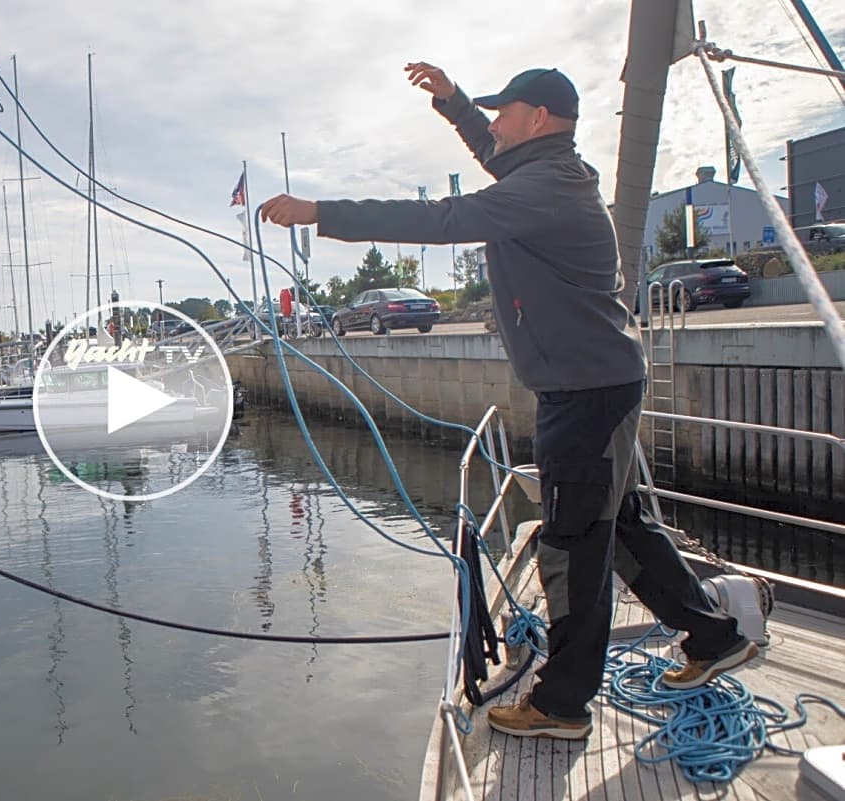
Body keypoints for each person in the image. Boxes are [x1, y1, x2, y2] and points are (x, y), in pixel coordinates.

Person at [261, 63, 758, 740]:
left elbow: (442, 219)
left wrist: (320, 212)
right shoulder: (548, 175)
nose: (493, 126)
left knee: (573, 543)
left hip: (584, 396)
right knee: (619, 526)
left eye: (504, 112)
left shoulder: (544, 188)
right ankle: (712, 636)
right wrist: (453, 103)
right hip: (596, 384)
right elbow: (494, 155)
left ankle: (561, 705)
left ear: (540, 119)